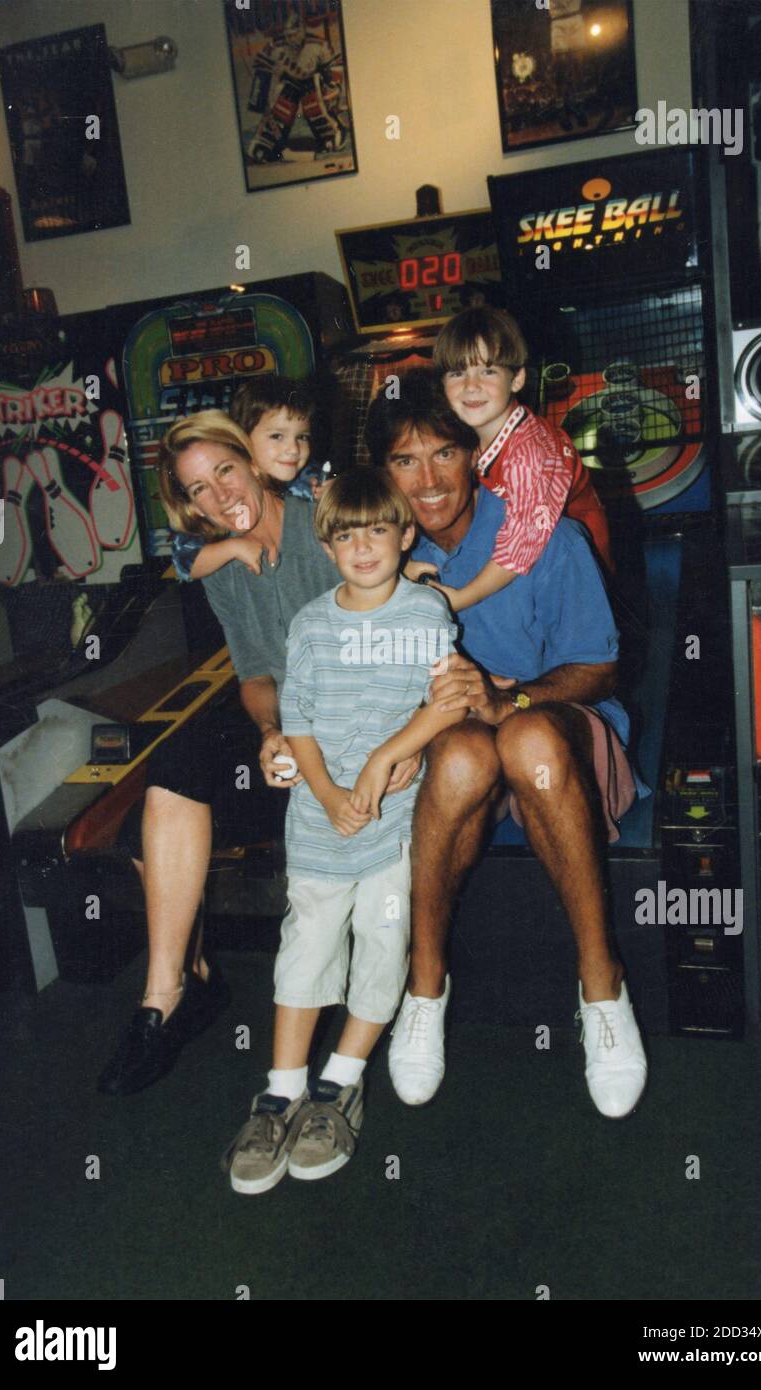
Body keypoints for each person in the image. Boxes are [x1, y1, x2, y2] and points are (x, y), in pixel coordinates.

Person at [98, 412, 418, 1096]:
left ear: (251, 460)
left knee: (148, 829)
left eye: (224, 471)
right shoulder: (223, 562)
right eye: (197, 489)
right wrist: (272, 730)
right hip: (286, 725)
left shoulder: (319, 524)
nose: (218, 496)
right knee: (174, 768)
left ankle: (185, 992)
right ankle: (165, 993)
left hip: (354, 724)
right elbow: (251, 674)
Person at [365, 369, 649, 1120]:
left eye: (444, 455)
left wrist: (507, 698)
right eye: (404, 460)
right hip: (461, 761)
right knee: (461, 753)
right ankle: (425, 984)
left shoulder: (543, 531)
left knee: (523, 737)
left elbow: (599, 666)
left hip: (565, 745)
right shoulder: (382, 558)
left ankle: (601, 984)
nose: (427, 481)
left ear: (475, 454)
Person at [220, 470, 459, 1194]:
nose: (363, 548)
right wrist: (325, 793)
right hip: (321, 818)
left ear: (405, 535)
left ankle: (339, 1084)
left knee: (386, 940)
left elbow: (446, 702)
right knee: (310, 940)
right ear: (326, 546)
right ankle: (281, 1091)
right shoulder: (311, 625)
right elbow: (297, 722)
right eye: (346, 535)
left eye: (378, 532)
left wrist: (388, 758)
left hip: (394, 817)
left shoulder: (425, 614)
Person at [406, 305, 610, 611]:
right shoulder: (481, 428)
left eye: (488, 371)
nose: (471, 386)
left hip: (573, 556)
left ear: (516, 379)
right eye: (457, 372)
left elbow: (520, 548)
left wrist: (459, 598)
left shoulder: (529, 456)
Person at [170, 377, 321, 584]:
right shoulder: (214, 547)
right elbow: (185, 562)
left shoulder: (312, 493)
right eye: (277, 436)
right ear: (244, 441)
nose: (293, 449)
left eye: (302, 437)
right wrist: (232, 548)